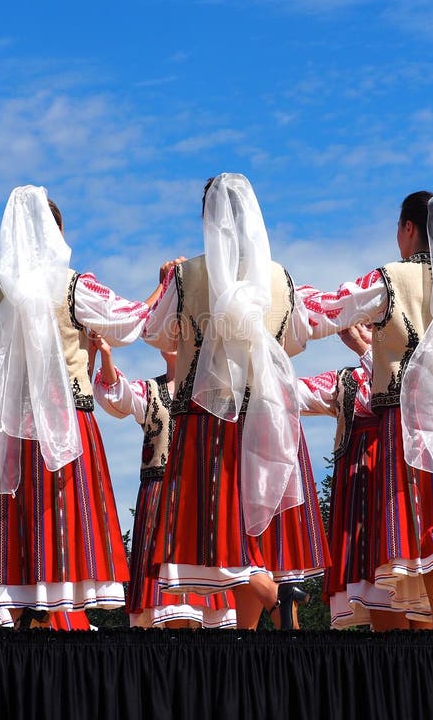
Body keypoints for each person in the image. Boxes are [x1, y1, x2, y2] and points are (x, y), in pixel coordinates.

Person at [297, 192, 433, 630]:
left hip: (405, 416)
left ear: (407, 228)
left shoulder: (391, 278)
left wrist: (283, 297)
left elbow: (331, 308)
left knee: (418, 523)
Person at [0, 187, 158, 628]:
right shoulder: (73, 284)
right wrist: (161, 288)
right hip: (66, 418)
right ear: (56, 233)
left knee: (20, 528)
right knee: (63, 524)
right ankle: (55, 627)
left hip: (13, 427)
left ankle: (24, 622)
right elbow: (127, 321)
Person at [144, 173, 330, 629]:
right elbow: (297, 339)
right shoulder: (280, 276)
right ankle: (263, 623)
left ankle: (271, 595)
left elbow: (155, 333)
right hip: (270, 413)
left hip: (209, 417)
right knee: (258, 533)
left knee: (219, 535)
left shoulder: (189, 274)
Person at [94, 336, 236, 629]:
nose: (170, 339)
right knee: (162, 597)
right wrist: (106, 355)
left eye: (178, 333)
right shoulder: (150, 390)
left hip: (195, 498)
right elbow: (117, 394)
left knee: (199, 592)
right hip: (158, 496)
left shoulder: (209, 391)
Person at [297, 324, 409, 630]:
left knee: (408, 588)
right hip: (358, 493)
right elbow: (290, 393)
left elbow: (402, 391)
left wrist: (366, 350)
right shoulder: (344, 381)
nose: (363, 328)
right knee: (378, 598)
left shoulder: (409, 364)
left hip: (395, 487)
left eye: (372, 323)